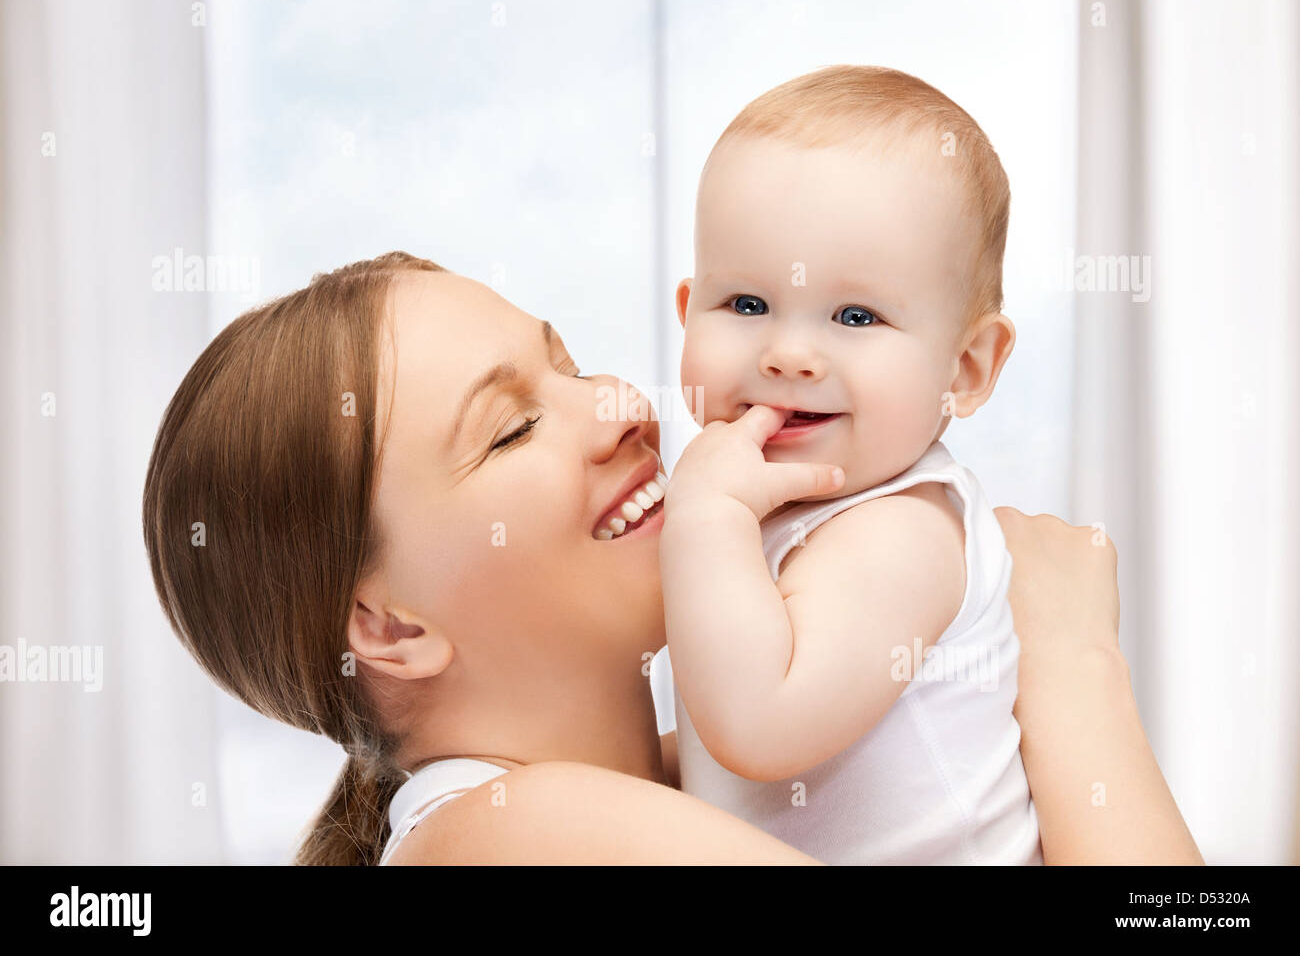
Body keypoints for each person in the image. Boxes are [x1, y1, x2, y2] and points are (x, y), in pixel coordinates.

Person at [141, 251, 1202, 865]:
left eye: (568, 365)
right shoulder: (509, 835)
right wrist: (1070, 662)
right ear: (390, 628)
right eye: (511, 429)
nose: (619, 406)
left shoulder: (704, 776)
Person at [658, 64, 1033, 862]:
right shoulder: (761, 502)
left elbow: (760, 723)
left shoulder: (903, 530)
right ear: (689, 312)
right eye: (748, 305)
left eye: (856, 315)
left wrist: (706, 519)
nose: (790, 353)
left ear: (965, 367)